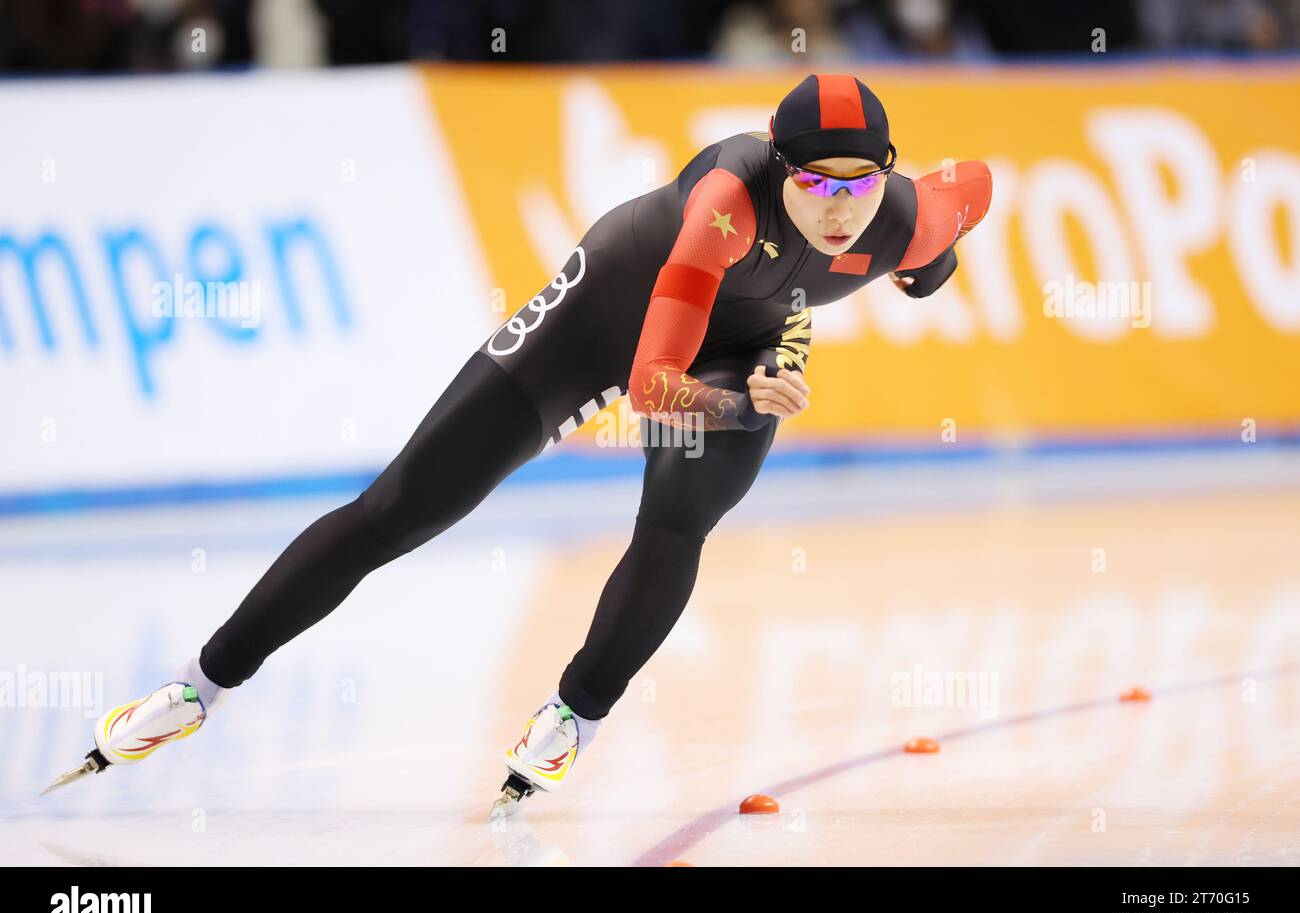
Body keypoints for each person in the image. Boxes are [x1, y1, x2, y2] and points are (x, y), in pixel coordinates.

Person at [46, 74, 993, 813]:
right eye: (818, 184)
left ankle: (573, 716)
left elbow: (973, 184)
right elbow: (658, 388)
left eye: (862, 183)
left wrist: (937, 261)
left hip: (744, 340)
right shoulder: (726, 208)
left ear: (889, 173)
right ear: (781, 173)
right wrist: (744, 403)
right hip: (609, 310)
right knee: (399, 510)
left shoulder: (907, 218)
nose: (841, 207)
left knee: (677, 523)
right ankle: (201, 686)